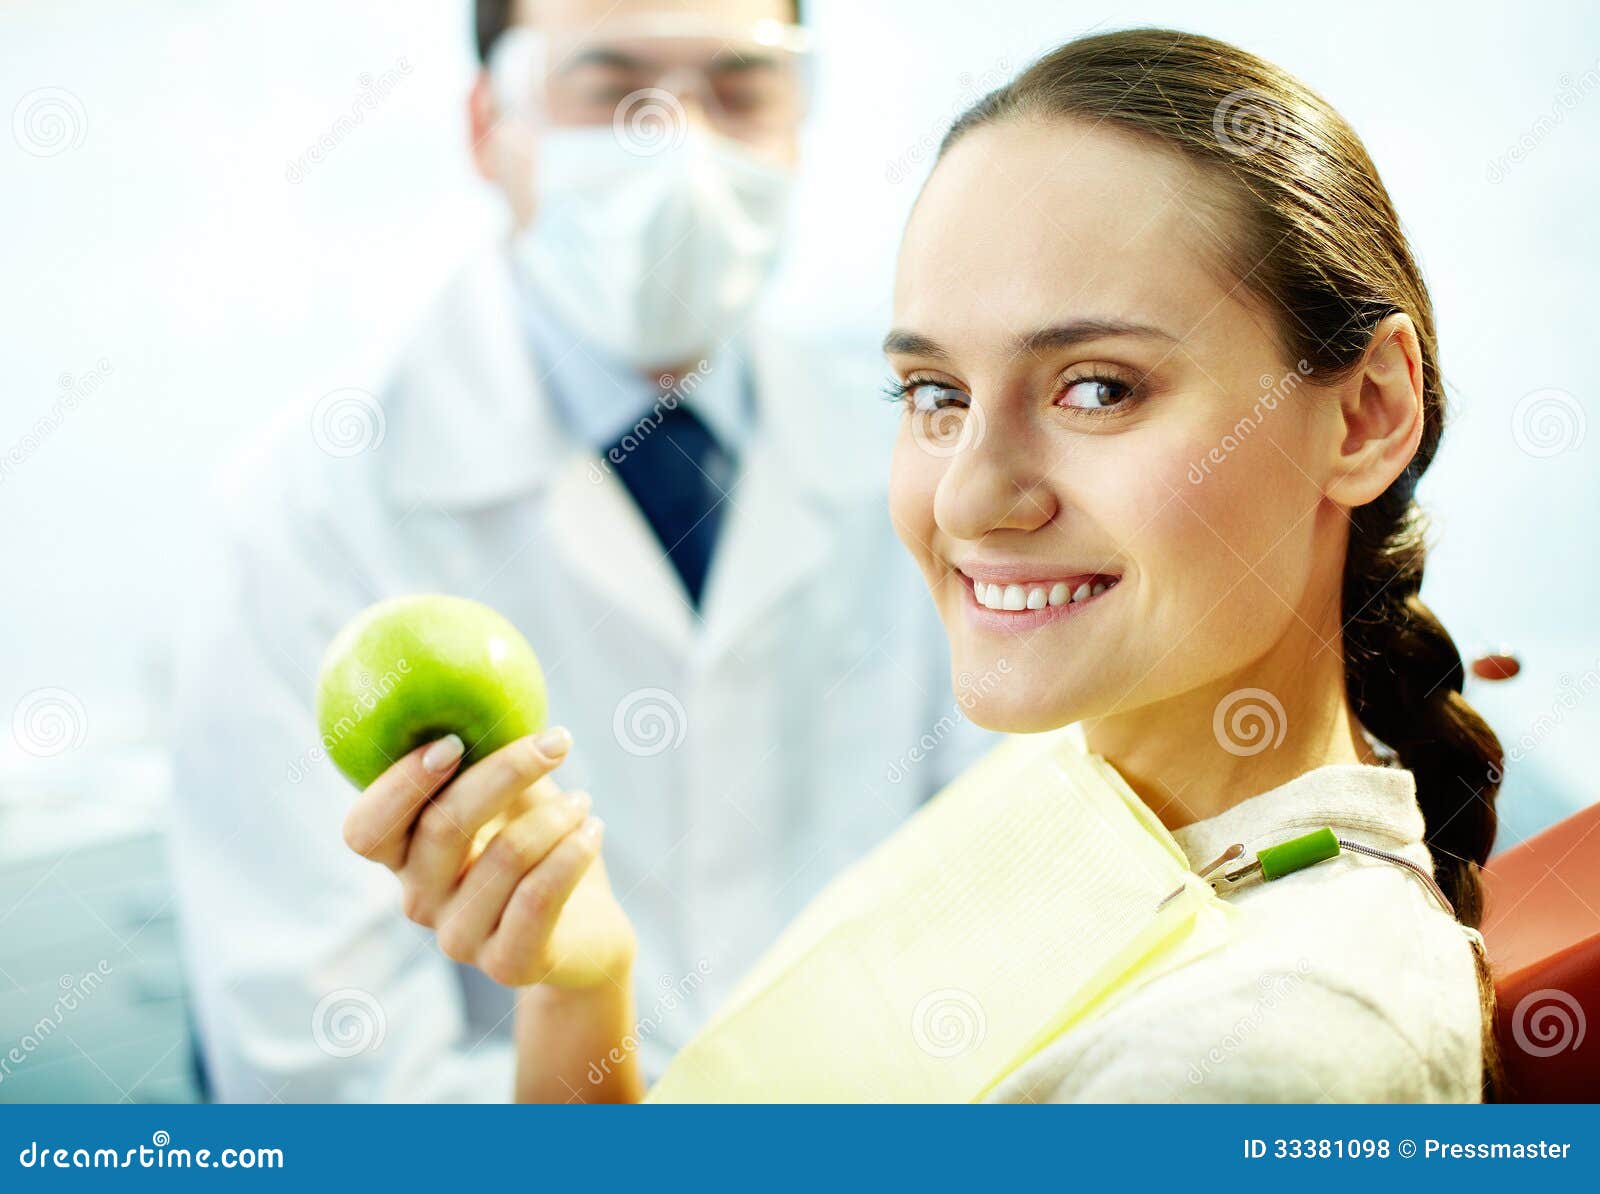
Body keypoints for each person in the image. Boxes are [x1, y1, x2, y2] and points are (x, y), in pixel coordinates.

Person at [344, 27, 1508, 1103]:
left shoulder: (1268, 1054)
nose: (966, 495)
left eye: (1095, 388)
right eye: (934, 395)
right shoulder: (1071, 802)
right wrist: (578, 987)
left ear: (1363, 412)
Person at [170, 0, 990, 1103]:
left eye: (741, 90)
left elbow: (1007, 889)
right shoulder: (312, 507)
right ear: (485, 124)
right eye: (612, 93)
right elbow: (324, 1080)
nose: (682, 150)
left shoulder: (918, 456)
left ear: (801, 118)